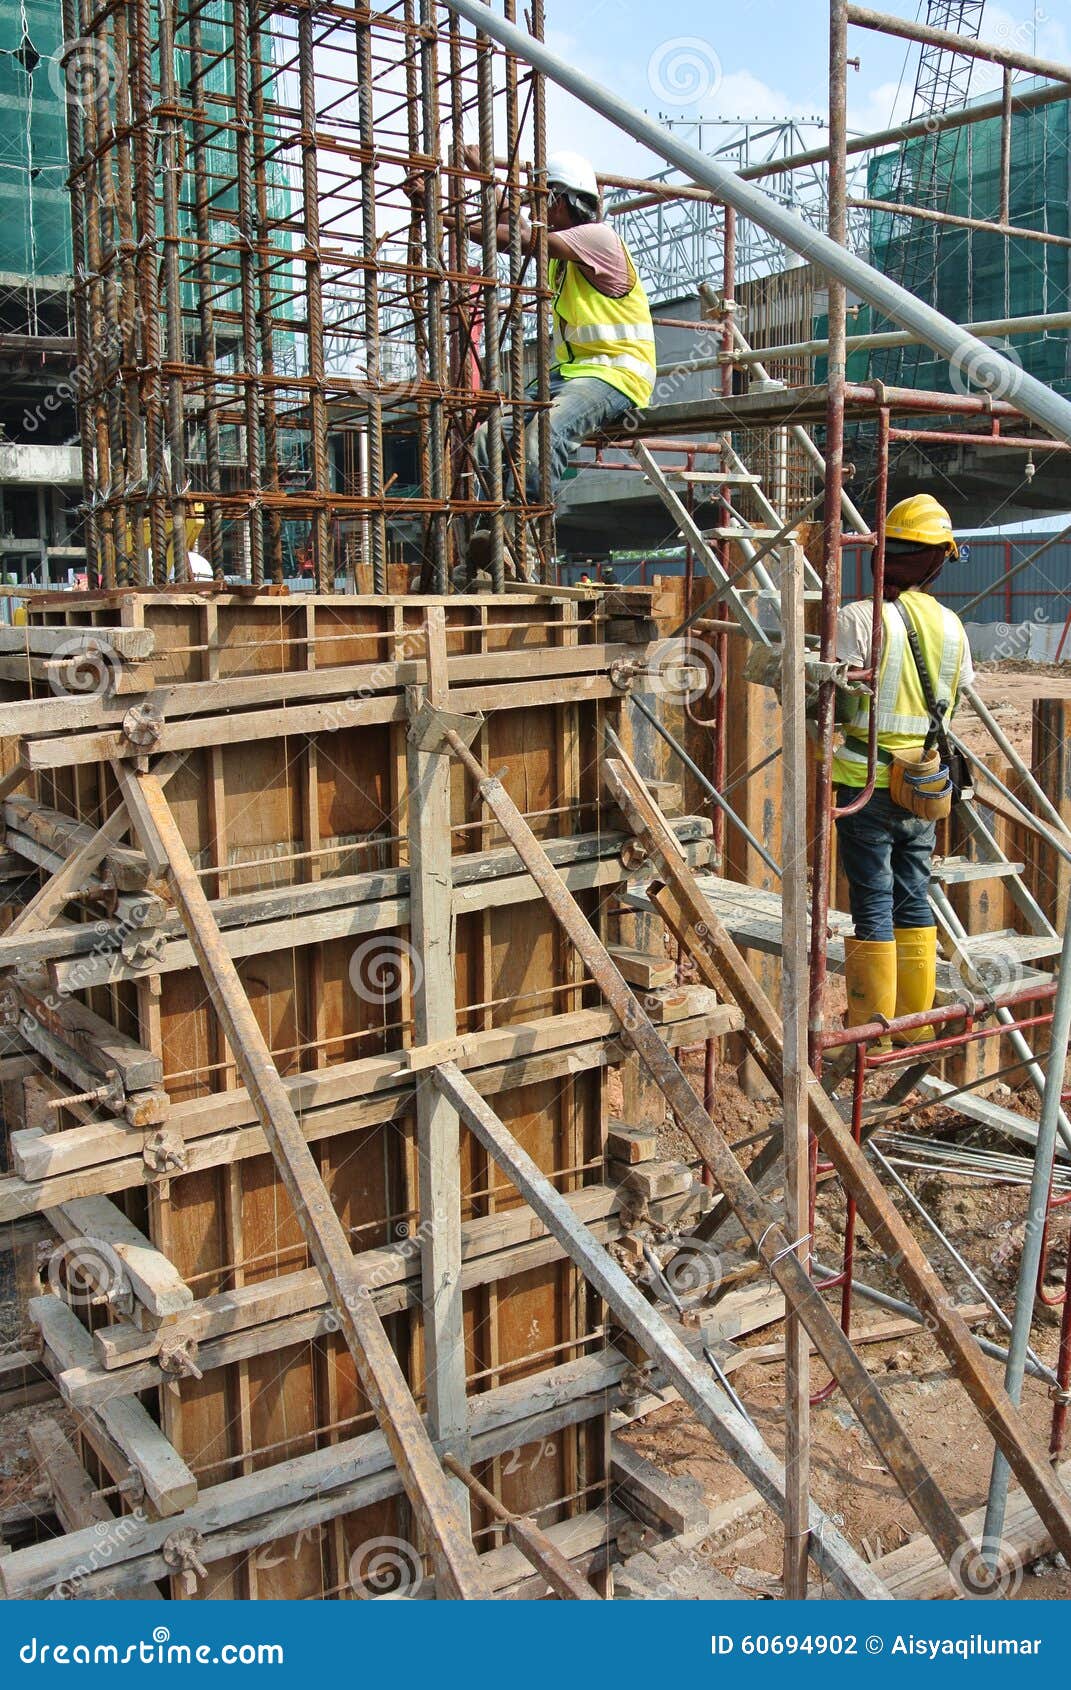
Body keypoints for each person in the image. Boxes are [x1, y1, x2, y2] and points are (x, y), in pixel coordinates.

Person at [832, 494, 973, 1045]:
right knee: (913, 893)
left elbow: (836, 702)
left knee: (872, 899)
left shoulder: (860, 617)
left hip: (864, 782)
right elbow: (958, 695)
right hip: (924, 783)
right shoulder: (954, 627)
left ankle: (872, 1028)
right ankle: (914, 1026)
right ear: (937, 563)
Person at [470, 149, 656, 507]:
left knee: (545, 434)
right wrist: (484, 180)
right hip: (571, 374)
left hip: (616, 374)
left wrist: (454, 219)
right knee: (487, 438)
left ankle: (525, 528)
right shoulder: (561, 257)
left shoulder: (599, 238)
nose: (534, 211)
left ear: (562, 198)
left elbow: (520, 237)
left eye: (542, 200)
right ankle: (487, 530)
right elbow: (515, 230)